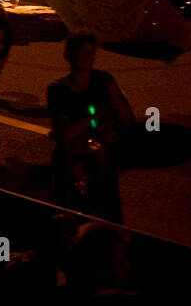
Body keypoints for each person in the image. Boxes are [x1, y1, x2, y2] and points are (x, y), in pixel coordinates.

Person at [47, 33, 133, 222]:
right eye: (83, 52)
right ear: (69, 55)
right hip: (72, 157)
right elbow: (64, 135)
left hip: (99, 157)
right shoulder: (58, 90)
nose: (89, 57)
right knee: (62, 213)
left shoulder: (104, 82)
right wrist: (97, 116)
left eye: (91, 52)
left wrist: (115, 118)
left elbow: (127, 118)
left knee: (108, 210)